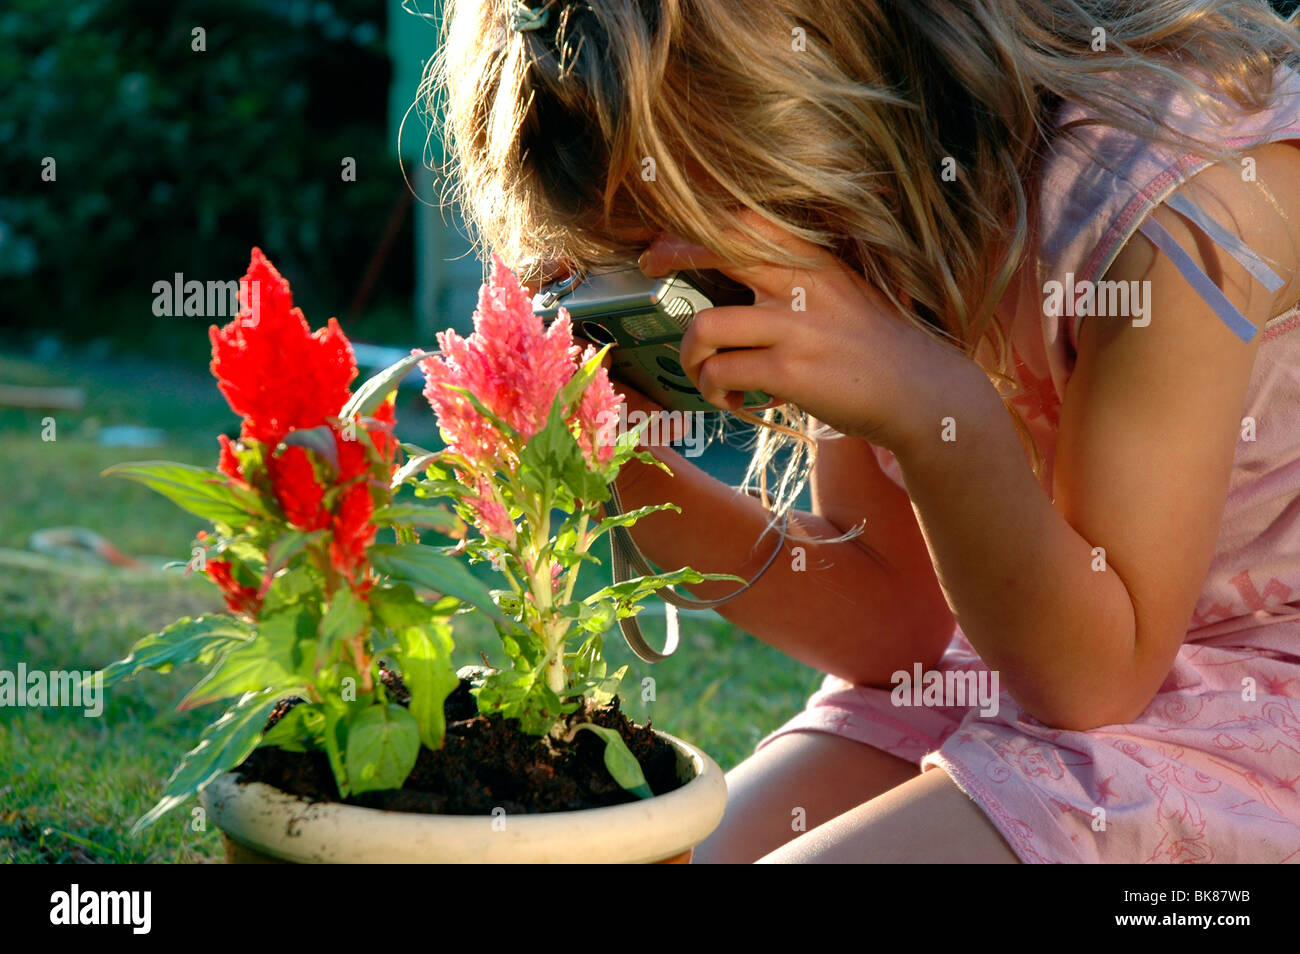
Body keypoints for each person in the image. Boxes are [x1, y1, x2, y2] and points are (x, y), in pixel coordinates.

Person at [429, 0, 1300, 862]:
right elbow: (893, 629)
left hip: (1241, 695)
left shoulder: (1166, 207)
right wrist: (624, 464)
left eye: (696, 265)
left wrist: (935, 411)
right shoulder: (876, 210)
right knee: (705, 853)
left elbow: (1098, 680)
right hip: (1022, 658)